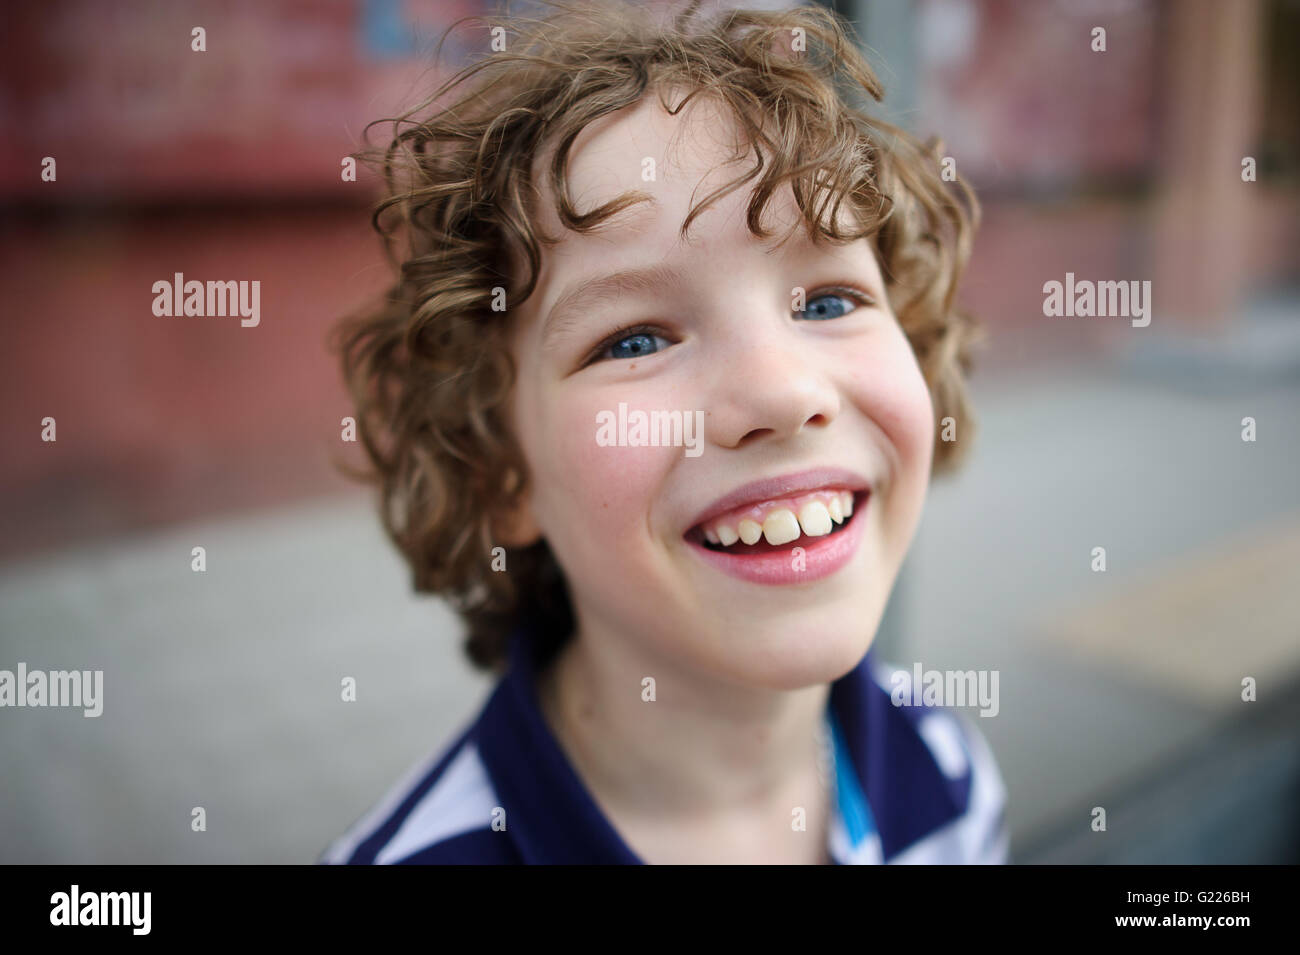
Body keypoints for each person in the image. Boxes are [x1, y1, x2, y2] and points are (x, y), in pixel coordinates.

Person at [321, 0, 1006, 864]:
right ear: (499, 470)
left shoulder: (946, 777)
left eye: (829, 301)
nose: (784, 392)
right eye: (634, 340)